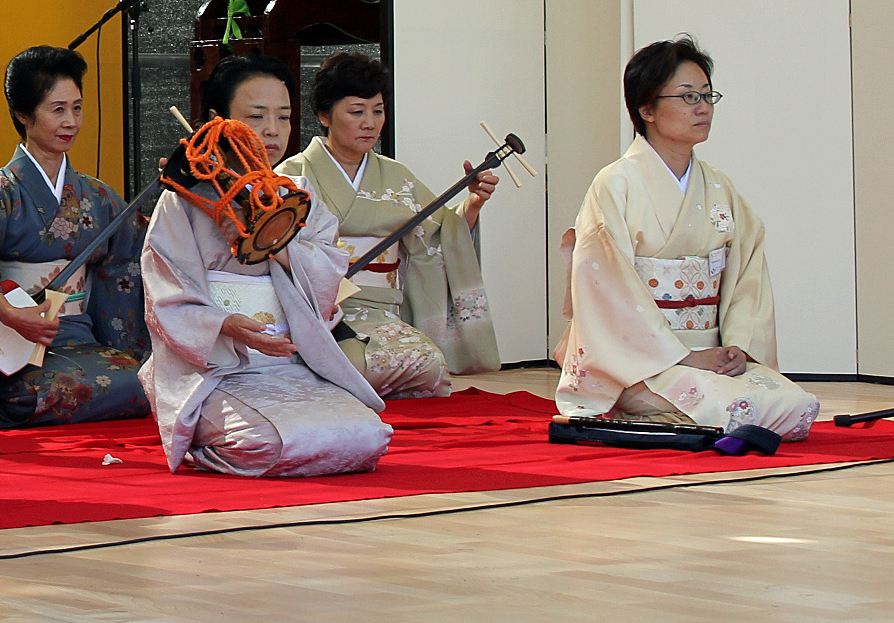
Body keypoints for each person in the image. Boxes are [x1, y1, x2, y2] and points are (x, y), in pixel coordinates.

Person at [139, 54, 390, 477]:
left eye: (284, 116)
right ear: (217, 122)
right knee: (264, 443)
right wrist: (226, 325)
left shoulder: (299, 194)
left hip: (289, 362)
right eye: (256, 116)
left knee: (368, 438)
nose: (272, 130)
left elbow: (329, 272)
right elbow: (166, 294)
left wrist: (274, 241)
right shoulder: (183, 201)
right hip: (219, 369)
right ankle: (205, 443)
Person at [554, 37, 818, 440]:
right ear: (647, 109)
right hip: (640, 360)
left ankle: (675, 412)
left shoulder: (718, 186)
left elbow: (747, 271)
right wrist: (683, 356)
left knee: (796, 406)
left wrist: (738, 347)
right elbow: (606, 286)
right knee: (738, 411)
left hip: (710, 355)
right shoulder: (615, 184)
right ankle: (634, 405)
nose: (703, 107)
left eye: (708, 96)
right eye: (688, 96)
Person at [276, 53, 499, 397]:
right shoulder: (291, 176)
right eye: (357, 112)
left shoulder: (397, 177)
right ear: (324, 115)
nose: (370, 123)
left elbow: (437, 236)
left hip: (382, 311)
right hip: (322, 312)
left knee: (430, 366)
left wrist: (472, 204)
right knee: (350, 365)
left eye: (378, 111)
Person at [0, 46, 149, 427]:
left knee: (142, 382)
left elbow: (139, 245)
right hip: (19, 342)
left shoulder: (96, 195)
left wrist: (181, 199)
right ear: (23, 114)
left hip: (78, 335)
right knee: (42, 391)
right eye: (57, 110)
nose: (70, 122)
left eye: (77, 108)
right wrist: (11, 314)